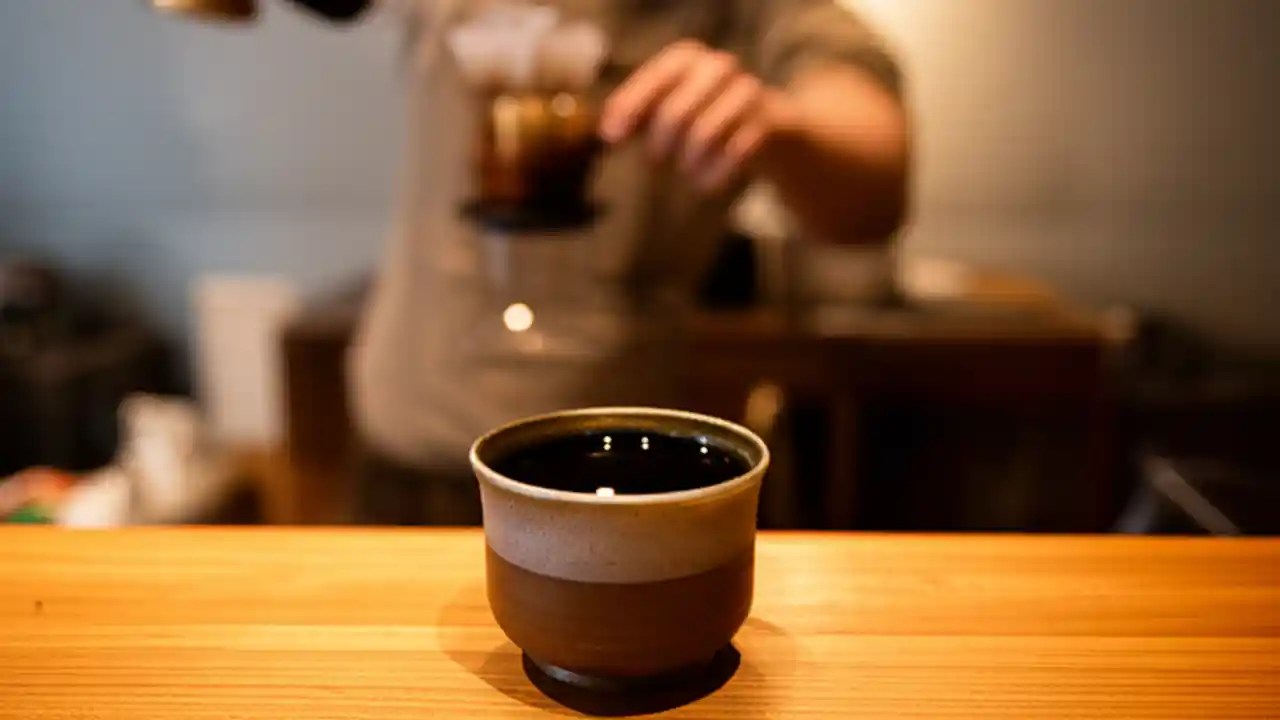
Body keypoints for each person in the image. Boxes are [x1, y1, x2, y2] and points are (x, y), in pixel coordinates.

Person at [288, 0, 910, 524]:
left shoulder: (744, 10)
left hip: (609, 490)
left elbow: (874, 185)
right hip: (397, 469)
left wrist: (781, 128)